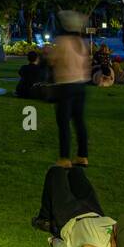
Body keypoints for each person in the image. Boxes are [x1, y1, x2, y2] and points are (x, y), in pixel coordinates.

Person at [31, 165, 124, 247]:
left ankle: (44, 220)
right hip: (94, 212)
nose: (117, 224)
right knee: (77, 172)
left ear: (118, 237)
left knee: (56, 172)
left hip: (69, 219)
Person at [47, 11, 90, 166]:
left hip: (65, 85)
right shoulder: (82, 42)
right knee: (79, 122)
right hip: (81, 85)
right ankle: (82, 156)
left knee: (63, 122)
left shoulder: (61, 42)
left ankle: (64, 157)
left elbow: (51, 61)